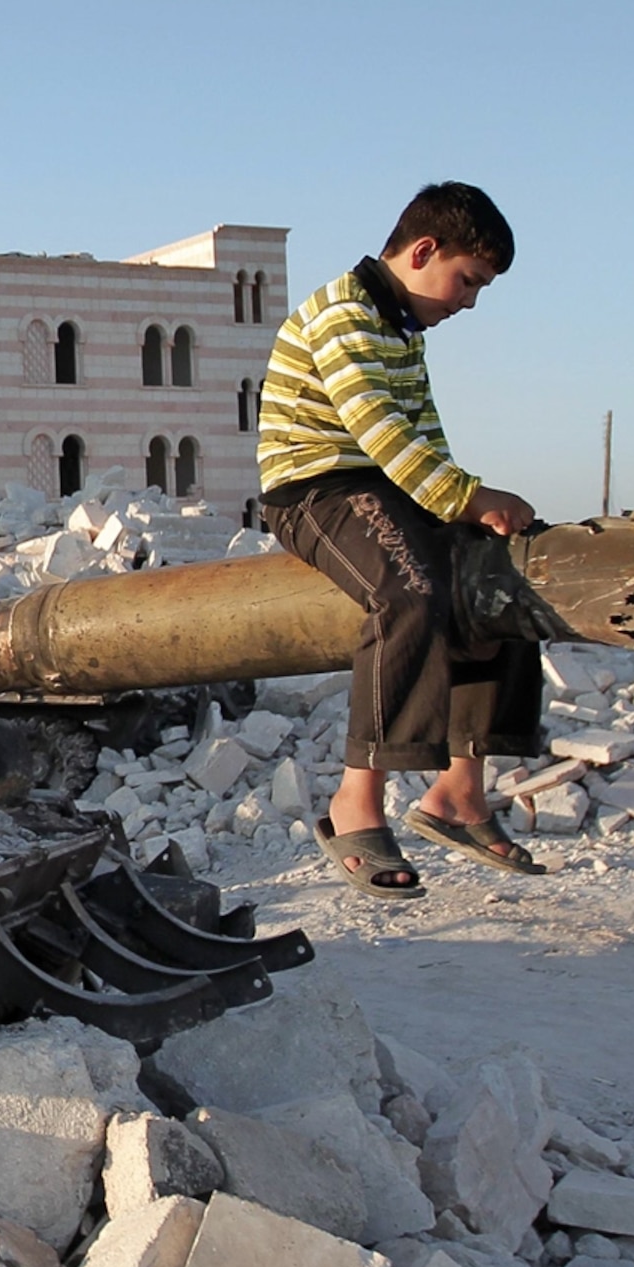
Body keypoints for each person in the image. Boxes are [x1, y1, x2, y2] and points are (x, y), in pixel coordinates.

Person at [255, 181, 544, 898]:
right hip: (316, 488)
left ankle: (459, 792)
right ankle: (355, 800)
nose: (469, 301)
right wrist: (469, 496)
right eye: (467, 281)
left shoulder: (401, 329)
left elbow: (425, 440)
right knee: (409, 595)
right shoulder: (345, 316)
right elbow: (382, 433)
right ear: (423, 252)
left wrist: (469, 519)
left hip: (384, 487)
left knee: (498, 585)